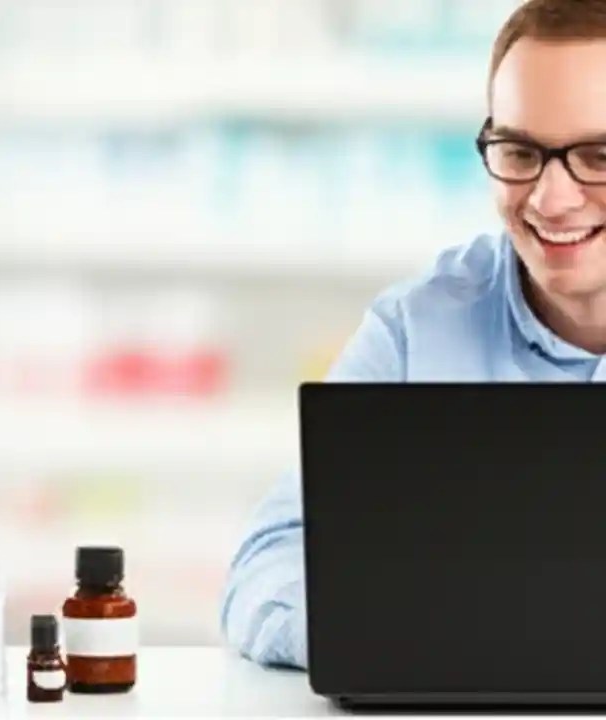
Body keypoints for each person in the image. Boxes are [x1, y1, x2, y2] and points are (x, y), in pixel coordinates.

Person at [220, 0, 606, 670]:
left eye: (598, 156)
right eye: (519, 152)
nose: (550, 199)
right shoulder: (417, 330)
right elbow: (268, 563)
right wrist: (387, 633)